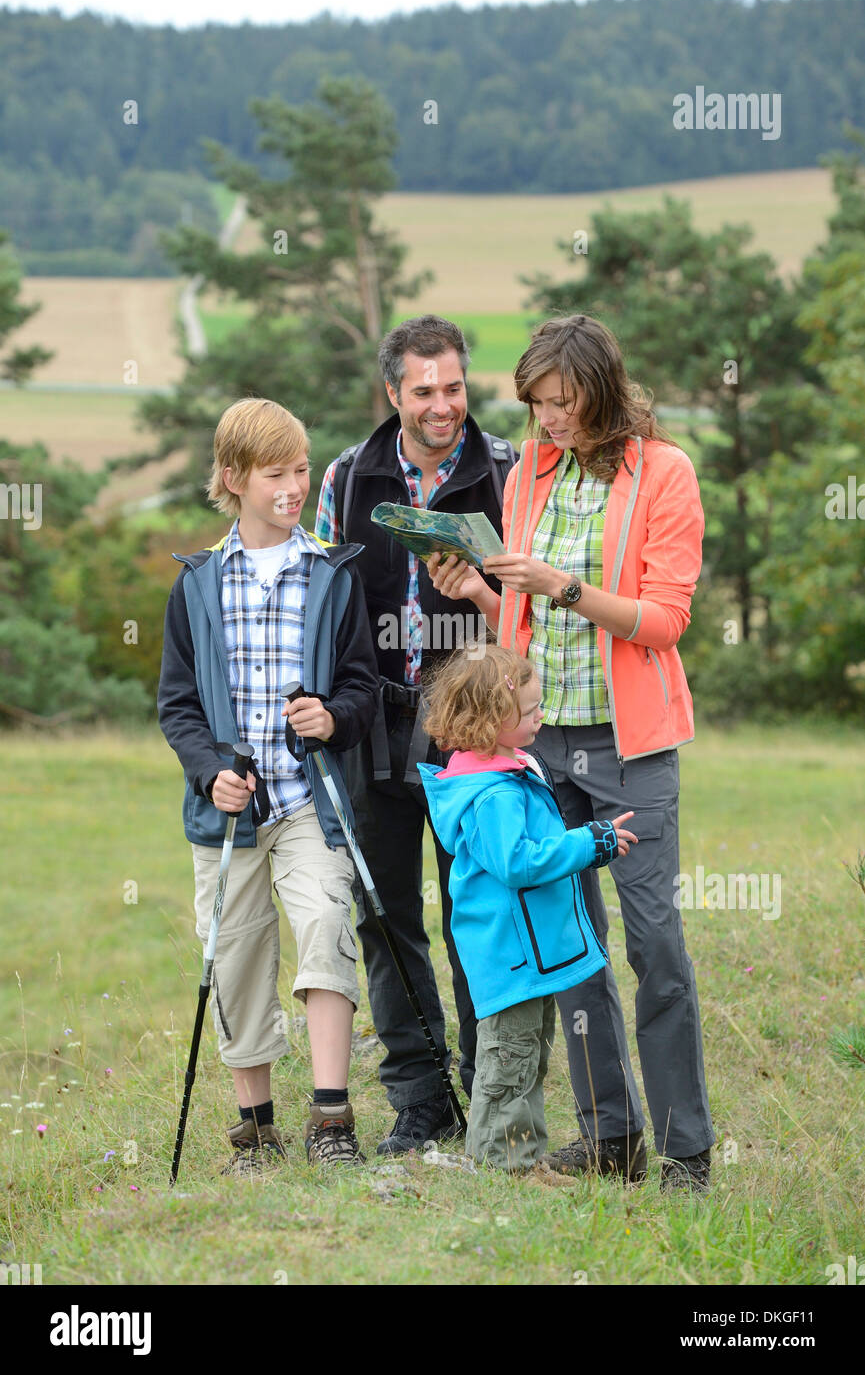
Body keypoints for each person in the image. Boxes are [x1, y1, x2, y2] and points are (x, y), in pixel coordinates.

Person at [428, 313, 716, 1191]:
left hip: (627, 748)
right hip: (541, 746)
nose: (548, 418)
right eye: (537, 404)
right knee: (570, 942)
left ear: (601, 388)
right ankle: (609, 1137)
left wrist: (567, 587)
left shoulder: (662, 473)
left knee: (652, 948)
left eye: (562, 402)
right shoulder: (532, 475)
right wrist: (480, 588)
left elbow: (664, 621)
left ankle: (685, 1153)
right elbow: (521, 627)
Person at [158, 397, 379, 1173]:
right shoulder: (195, 586)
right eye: (276, 474)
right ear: (233, 478)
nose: (294, 487)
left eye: (301, 472)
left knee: (325, 926)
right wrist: (209, 768)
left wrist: (332, 718)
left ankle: (331, 1120)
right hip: (229, 818)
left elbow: (361, 688)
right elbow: (178, 706)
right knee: (234, 958)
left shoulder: (332, 576)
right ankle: (255, 1127)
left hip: (309, 803)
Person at [314, 314, 515, 1155]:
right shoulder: (346, 476)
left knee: (480, 909)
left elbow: (533, 625)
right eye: (424, 390)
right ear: (391, 392)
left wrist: (476, 591)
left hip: (471, 724)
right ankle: (421, 1098)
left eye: (455, 386)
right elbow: (320, 603)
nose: (443, 405)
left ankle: (492, 1088)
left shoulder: (509, 469)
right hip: (372, 723)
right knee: (383, 913)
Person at [418, 645, 636, 1172]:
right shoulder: (491, 793)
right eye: (533, 708)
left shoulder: (508, 767)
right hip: (509, 955)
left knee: (529, 1057)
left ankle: (524, 1161)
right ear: (493, 717)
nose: (542, 714)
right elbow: (518, 862)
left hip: (529, 954)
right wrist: (589, 843)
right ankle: (502, 1169)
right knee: (507, 1064)